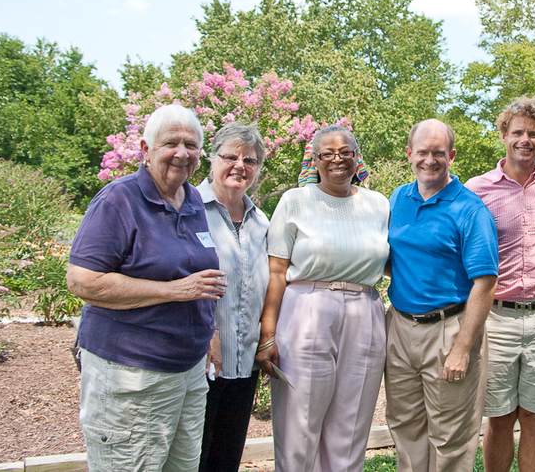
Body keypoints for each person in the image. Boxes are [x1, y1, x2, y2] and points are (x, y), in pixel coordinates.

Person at [66, 104, 227, 472]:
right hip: (132, 375)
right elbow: (83, 281)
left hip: (187, 374)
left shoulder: (193, 203)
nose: (182, 153)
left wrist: (209, 332)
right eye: (171, 143)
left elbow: (198, 277)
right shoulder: (118, 200)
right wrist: (172, 291)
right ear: (145, 149)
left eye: (191, 144)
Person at [255, 125, 389, 472]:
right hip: (306, 310)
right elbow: (276, 272)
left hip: (365, 312)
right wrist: (267, 333)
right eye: (327, 153)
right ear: (314, 160)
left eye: (345, 151)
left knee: (352, 423)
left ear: (357, 157)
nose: (337, 159)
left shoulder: (377, 205)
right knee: (300, 423)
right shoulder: (295, 201)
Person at [465, 97, 535, 472]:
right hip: (496, 318)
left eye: (534, 133)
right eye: (517, 132)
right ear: (503, 135)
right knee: (497, 418)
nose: (525, 139)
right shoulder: (477, 189)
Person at [385, 119, 499, 472]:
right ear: (409, 154)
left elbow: (485, 282)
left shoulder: (470, 210)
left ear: (451, 155)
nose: (430, 160)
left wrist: (463, 347)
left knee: (450, 438)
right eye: (422, 152)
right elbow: (395, 260)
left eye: (438, 153)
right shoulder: (397, 198)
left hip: (450, 329)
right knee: (406, 429)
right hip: (401, 326)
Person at [196, 123, 270, 472]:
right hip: (200, 361)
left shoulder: (262, 223)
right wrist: (208, 332)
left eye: (250, 160)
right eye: (230, 156)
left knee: (225, 458)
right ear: (212, 160)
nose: (240, 165)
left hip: (245, 363)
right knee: (191, 455)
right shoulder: (188, 210)